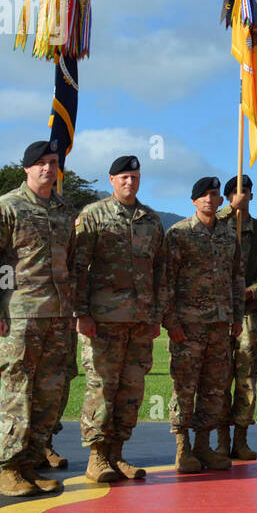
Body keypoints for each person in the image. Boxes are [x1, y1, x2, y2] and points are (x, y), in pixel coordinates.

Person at [0, 140, 76, 497]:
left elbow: (72, 262)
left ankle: (31, 464)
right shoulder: (6, 207)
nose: (49, 169)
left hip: (57, 316)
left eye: (53, 162)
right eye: (41, 164)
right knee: (18, 393)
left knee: (49, 396)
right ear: (27, 169)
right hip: (19, 315)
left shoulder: (64, 209)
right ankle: (9, 470)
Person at [72, 155, 166, 482]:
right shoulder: (93, 216)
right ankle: (97, 457)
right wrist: (81, 313)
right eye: (124, 177)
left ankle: (117, 454)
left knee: (132, 389)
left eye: (135, 177)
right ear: (111, 180)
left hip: (140, 321)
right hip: (103, 320)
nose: (130, 182)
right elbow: (78, 269)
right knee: (101, 386)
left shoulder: (151, 221)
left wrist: (155, 316)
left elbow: (160, 272)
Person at [162, 177, 243, 473]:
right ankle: (182, 448)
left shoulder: (227, 235)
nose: (209, 199)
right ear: (194, 201)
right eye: (203, 195)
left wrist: (236, 317)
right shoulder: (179, 234)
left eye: (213, 195)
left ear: (220, 201)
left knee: (214, 389)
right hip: (188, 326)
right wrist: (170, 321)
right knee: (185, 387)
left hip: (220, 326)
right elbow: (166, 281)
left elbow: (236, 278)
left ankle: (203, 446)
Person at [216, 174, 257, 461]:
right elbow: (199, 224)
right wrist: (231, 210)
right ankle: (220, 440)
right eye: (236, 194)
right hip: (218, 313)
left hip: (249, 314)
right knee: (218, 378)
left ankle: (240, 438)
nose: (243, 198)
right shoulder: (216, 225)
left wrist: (251, 292)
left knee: (246, 378)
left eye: (247, 194)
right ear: (228, 197)